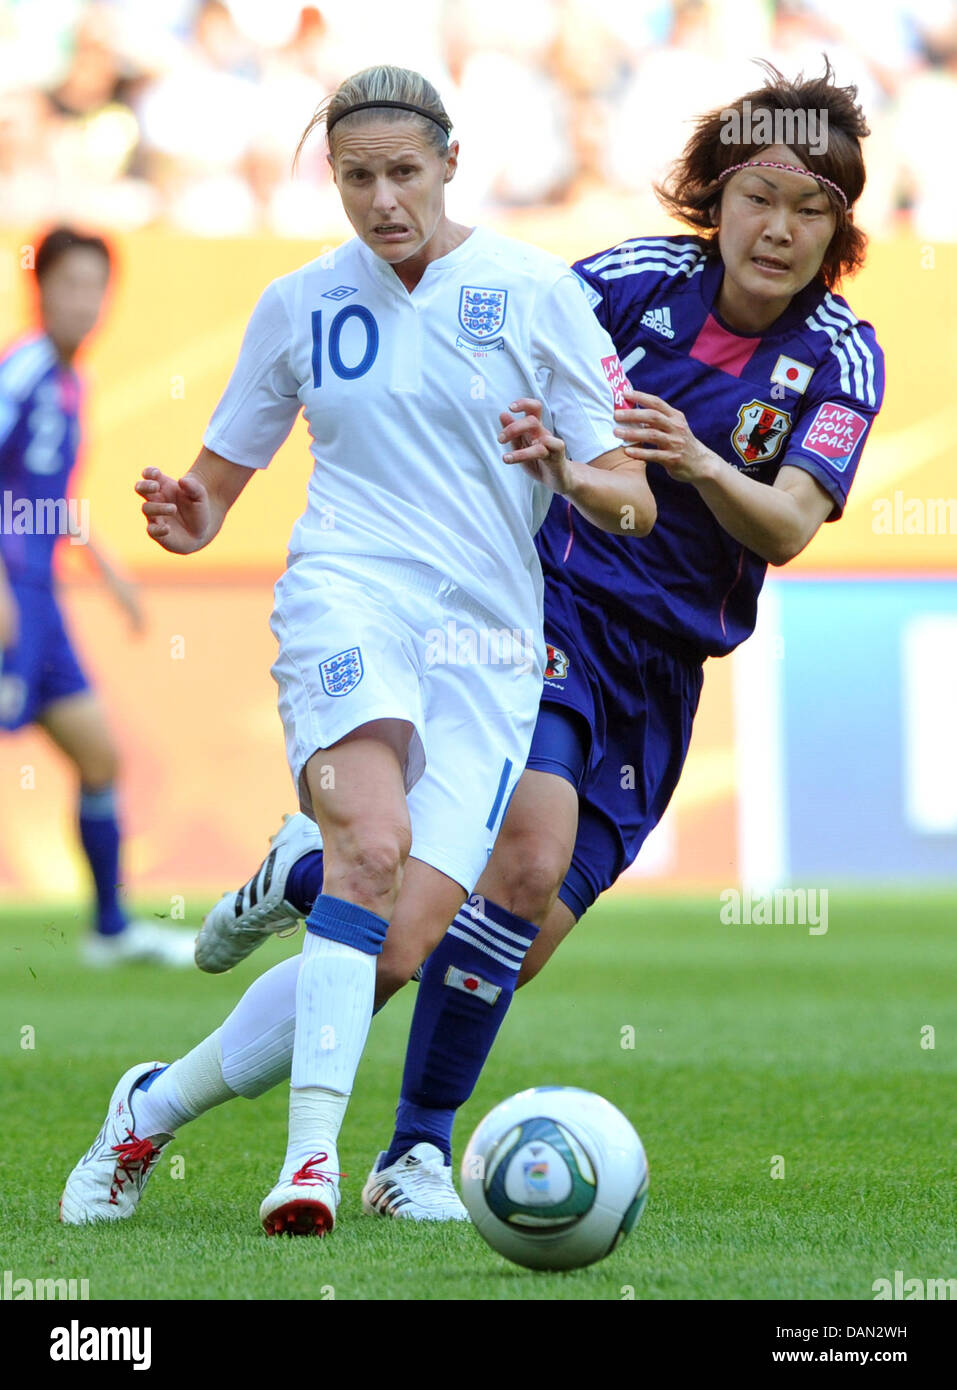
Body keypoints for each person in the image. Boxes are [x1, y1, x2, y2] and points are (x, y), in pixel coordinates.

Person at [166, 59, 885, 1223]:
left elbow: (794, 526)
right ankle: (405, 1152)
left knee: (488, 932)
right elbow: (469, 337)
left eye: (811, 209)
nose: (780, 227)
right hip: (541, 606)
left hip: (663, 665)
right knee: (524, 857)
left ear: (838, 226)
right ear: (717, 196)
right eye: (760, 197)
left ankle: (303, 903)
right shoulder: (625, 282)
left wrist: (698, 463)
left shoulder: (842, 359)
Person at [59, 64, 655, 1235]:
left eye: (402, 172)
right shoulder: (297, 304)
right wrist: (192, 514)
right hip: (349, 601)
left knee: (392, 944)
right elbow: (218, 484)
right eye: (355, 177)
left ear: (448, 165)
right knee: (372, 846)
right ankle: (313, 1165)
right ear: (331, 179)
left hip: (487, 647)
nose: (382, 199)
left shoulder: (537, 294)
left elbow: (629, 496)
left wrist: (564, 470)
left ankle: (149, 1104)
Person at [0, 227, 195, 967]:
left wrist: (106, 569)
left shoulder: (73, 382)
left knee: (100, 755)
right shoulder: (18, 372)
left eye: (95, 287)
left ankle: (109, 929)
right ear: (38, 288)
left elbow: (47, 492)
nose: (84, 302)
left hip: (42, 599)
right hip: (11, 593)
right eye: (69, 285)